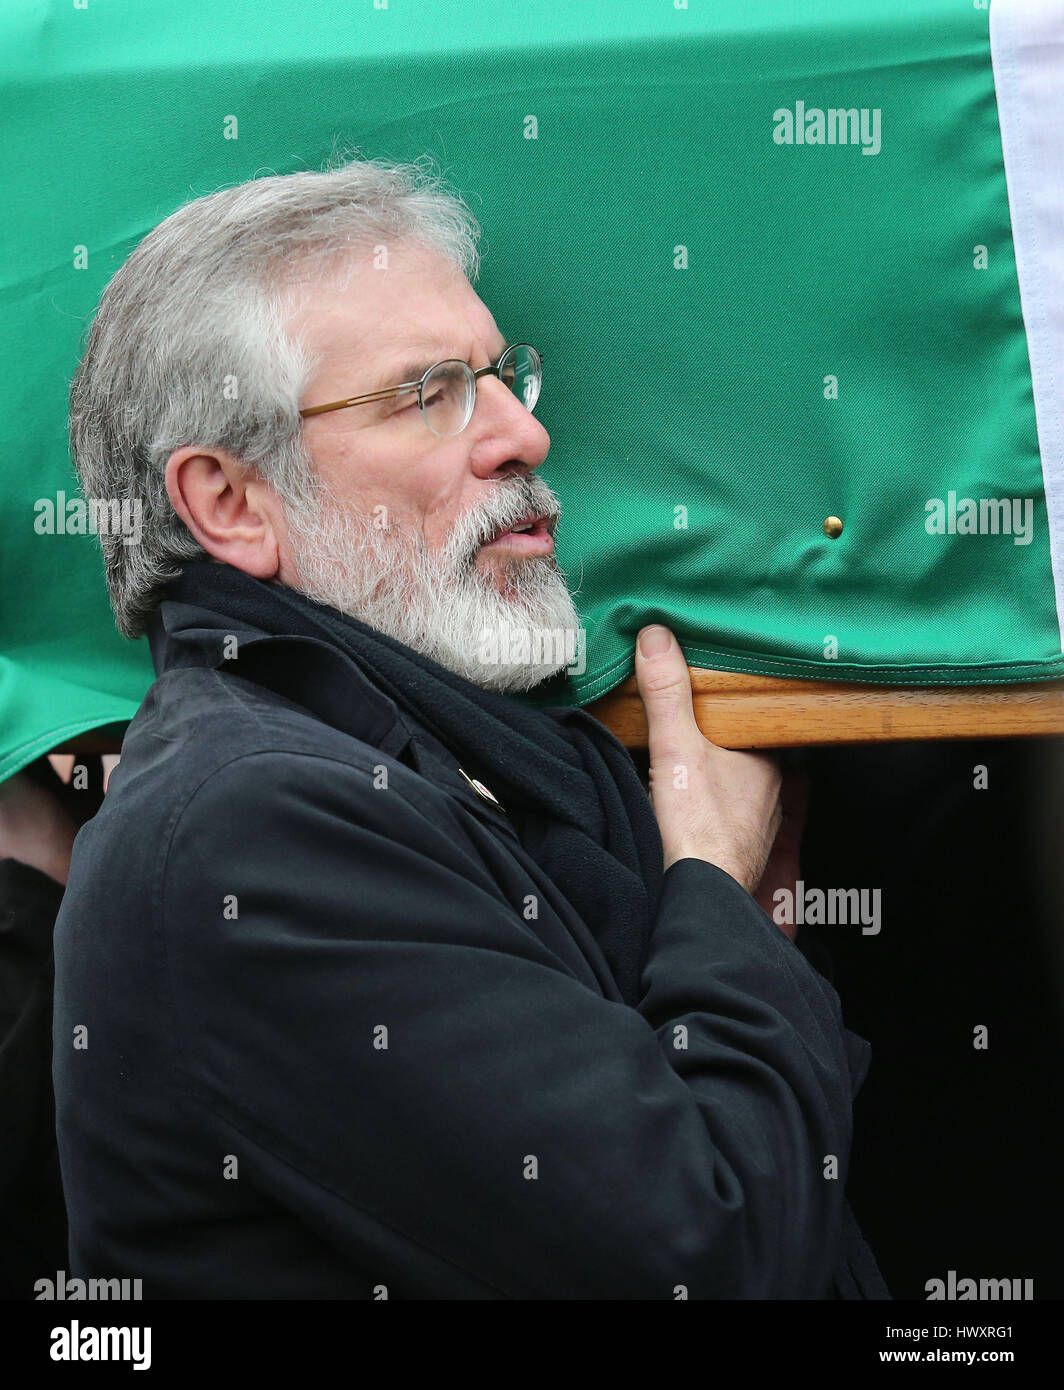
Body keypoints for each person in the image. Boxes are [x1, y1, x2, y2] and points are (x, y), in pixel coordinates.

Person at [53, 156, 888, 1299]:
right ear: (232, 503)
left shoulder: (454, 757)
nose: (520, 436)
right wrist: (713, 878)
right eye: (427, 393)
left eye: (501, 376)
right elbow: (711, 1254)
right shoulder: (244, 830)